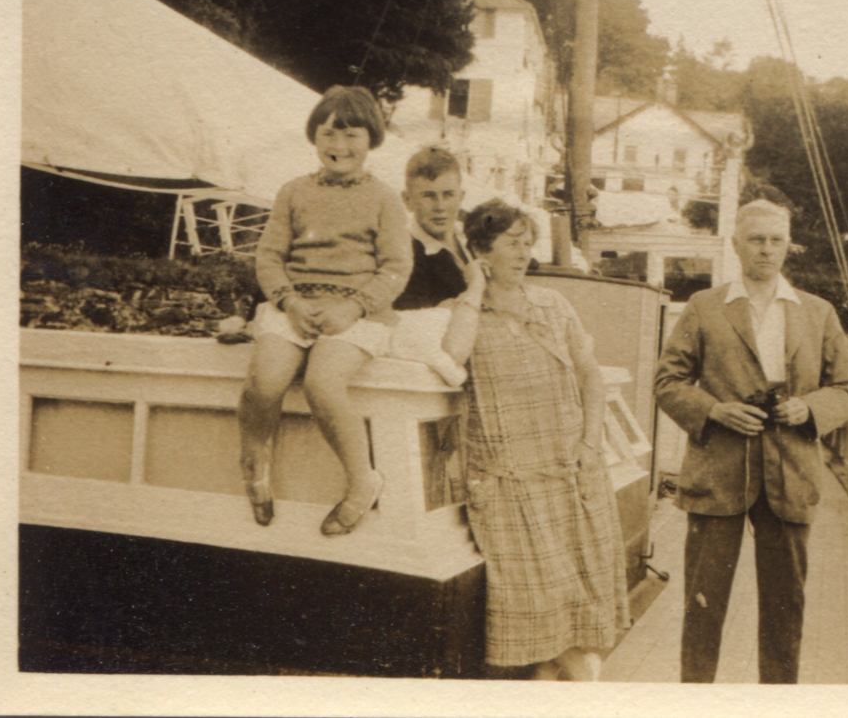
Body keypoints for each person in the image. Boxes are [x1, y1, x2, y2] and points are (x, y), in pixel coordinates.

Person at [654, 199, 848, 684]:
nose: (766, 250)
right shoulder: (706, 307)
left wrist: (809, 409)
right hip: (718, 474)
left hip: (790, 476)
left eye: (776, 240)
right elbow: (667, 382)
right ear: (736, 244)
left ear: (789, 245)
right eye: (756, 239)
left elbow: (847, 388)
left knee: (786, 610)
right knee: (703, 606)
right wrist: (713, 410)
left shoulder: (817, 312)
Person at [441, 199, 628, 681]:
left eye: (528, 243)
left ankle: (557, 688)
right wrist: (475, 288)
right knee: (542, 607)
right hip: (509, 488)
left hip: (571, 477)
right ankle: (586, 693)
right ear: (480, 248)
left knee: (575, 613)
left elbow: (590, 377)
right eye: (511, 243)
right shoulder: (458, 313)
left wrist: (590, 445)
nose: (524, 253)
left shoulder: (553, 304)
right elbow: (450, 358)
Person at [238, 85, 413, 536]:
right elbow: (269, 256)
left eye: (352, 135)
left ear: (371, 140)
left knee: (322, 382)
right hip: (296, 305)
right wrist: (290, 302)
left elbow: (397, 267)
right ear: (314, 138)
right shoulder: (293, 192)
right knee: (265, 380)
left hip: (356, 312)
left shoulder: (385, 198)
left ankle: (363, 480)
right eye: (328, 134)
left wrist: (354, 307)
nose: (339, 147)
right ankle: (255, 458)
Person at [393, 146, 469, 310]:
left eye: (448, 194)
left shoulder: (472, 237)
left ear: (461, 196)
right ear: (407, 200)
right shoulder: (403, 256)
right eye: (428, 196)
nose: (440, 206)